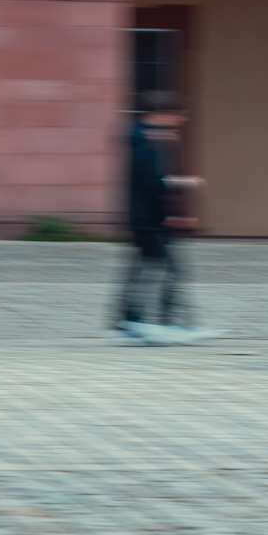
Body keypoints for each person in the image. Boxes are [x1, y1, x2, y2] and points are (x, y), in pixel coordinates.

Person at [112, 91, 215, 346]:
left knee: (148, 271)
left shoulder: (145, 135)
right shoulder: (144, 139)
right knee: (169, 271)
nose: (180, 120)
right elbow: (150, 183)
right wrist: (181, 189)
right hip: (148, 219)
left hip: (147, 218)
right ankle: (157, 323)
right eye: (175, 115)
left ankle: (132, 322)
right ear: (160, 114)